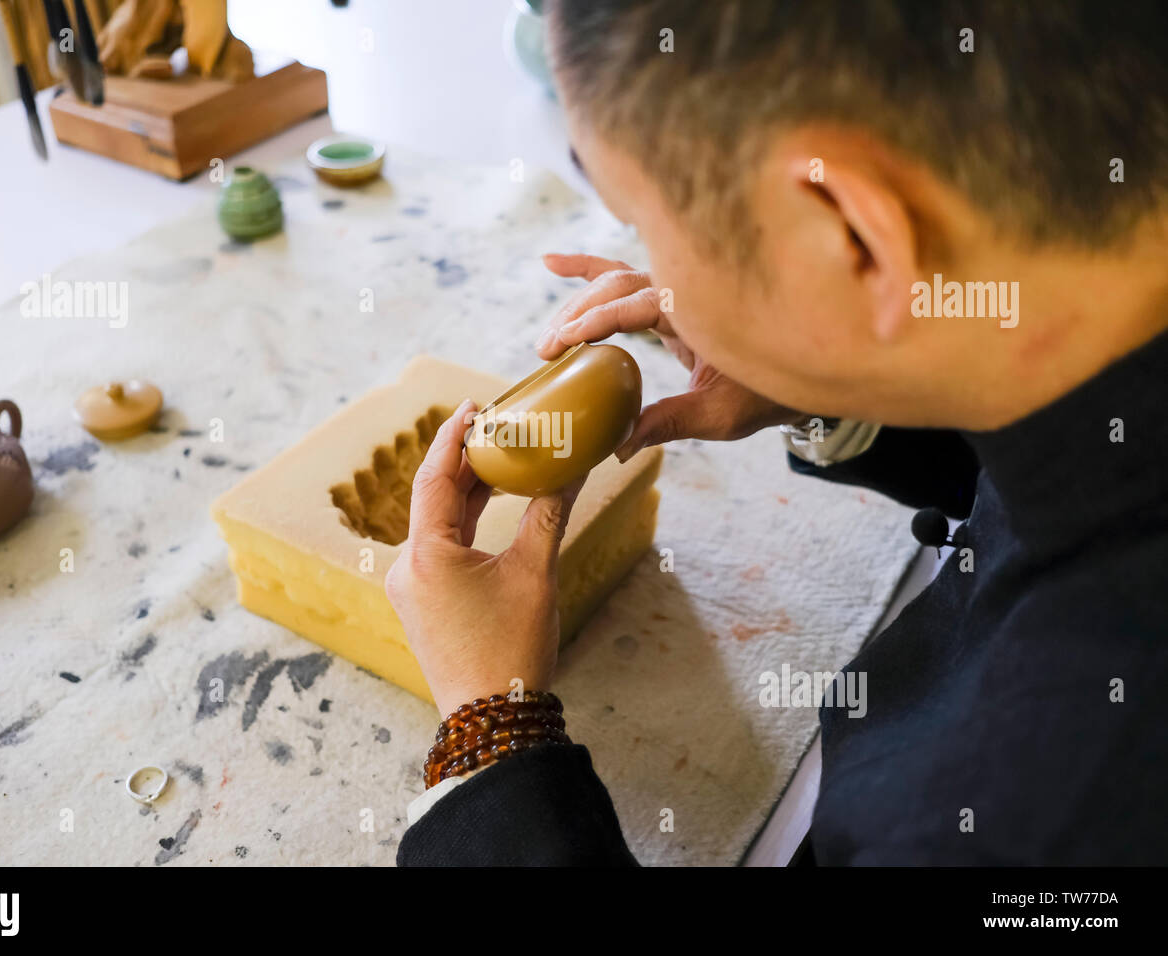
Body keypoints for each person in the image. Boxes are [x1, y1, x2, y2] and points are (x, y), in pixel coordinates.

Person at [386, 0, 1168, 865]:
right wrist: (828, 363)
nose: (649, 268)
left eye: (643, 221)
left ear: (850, 235)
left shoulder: (1047, 808)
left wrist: (491, 730)